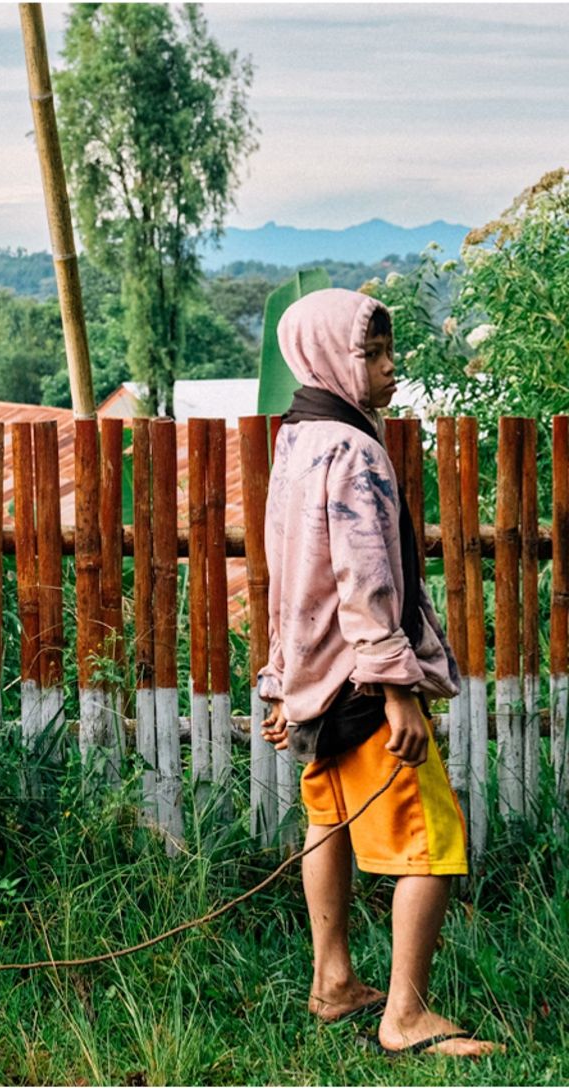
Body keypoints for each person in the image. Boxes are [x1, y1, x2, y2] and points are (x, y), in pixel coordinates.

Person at [257, 288, 497, 1058]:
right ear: (331, 354)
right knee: (435, 841)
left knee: (328, 824)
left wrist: (277, 679)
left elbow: (287, 573)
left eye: (391, 354)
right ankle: (406, 1017)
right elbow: (364, 582)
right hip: (365, 688)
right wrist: (400, 692)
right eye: (375, 355)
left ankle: (332, 983)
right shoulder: (356, 451)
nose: (392, 371)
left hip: (313, 685)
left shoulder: (296, 439)